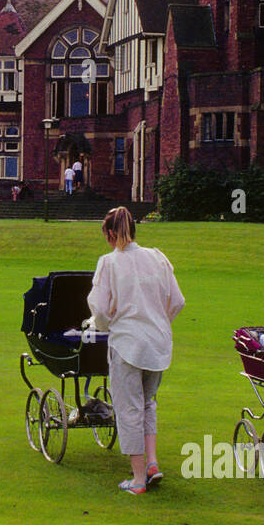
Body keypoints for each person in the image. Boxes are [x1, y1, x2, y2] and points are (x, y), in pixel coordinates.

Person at [86, 207, 185, 494]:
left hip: (129, 342)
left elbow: (100, 309)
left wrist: (107, 325)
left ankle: (139, 478)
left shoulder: (109, 263)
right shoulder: (158, 258)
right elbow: (177, 302)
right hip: (158, 342)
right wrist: (157, 321)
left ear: (110, 233)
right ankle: (152, 463)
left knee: (129, 407)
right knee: (147, 402)